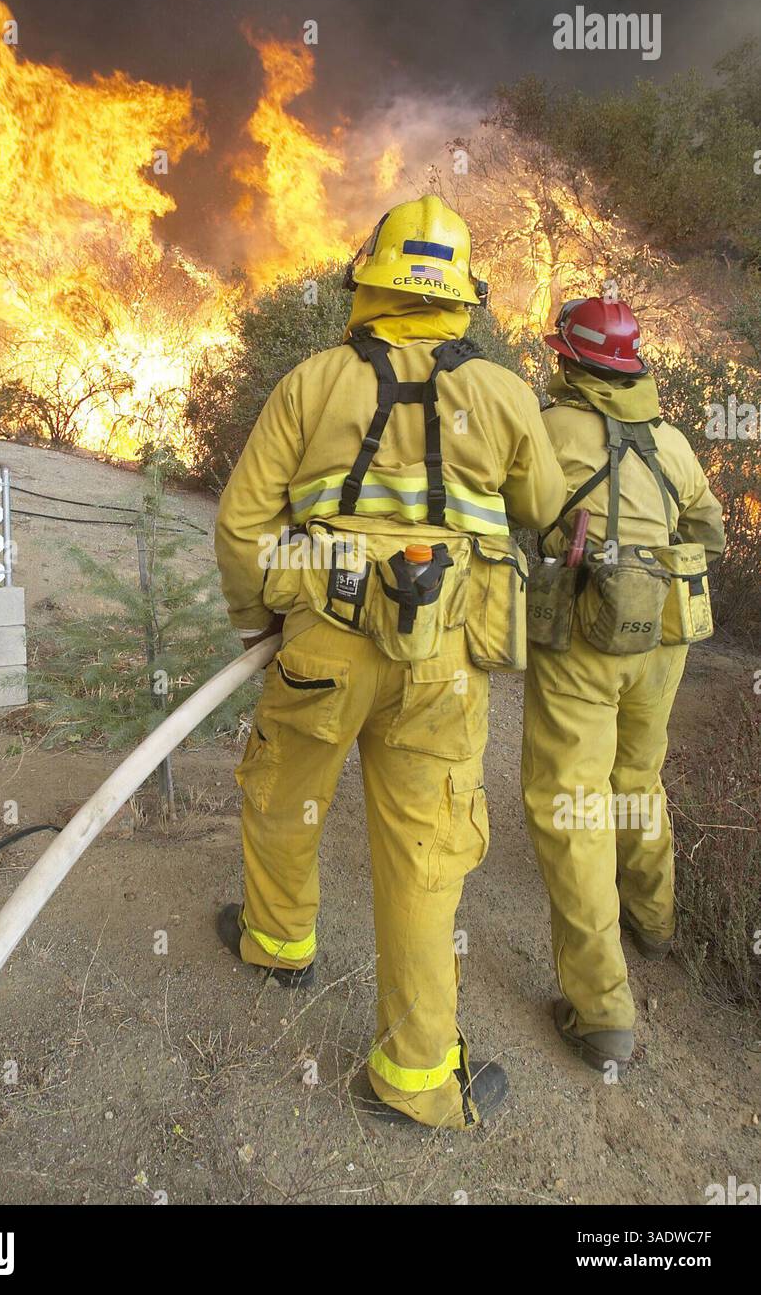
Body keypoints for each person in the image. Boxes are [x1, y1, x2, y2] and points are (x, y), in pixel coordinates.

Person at [214, 195, 566, 1129]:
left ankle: (279, 942)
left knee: (286, 790)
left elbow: (244, 524)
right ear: (462, 297)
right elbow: (541, 504)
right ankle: (416, 1080)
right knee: (424, 859)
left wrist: (259, 625)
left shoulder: (313, 380)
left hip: (321, 646)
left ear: (364, 280)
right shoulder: (501, 391)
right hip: (445, 665)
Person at [522, 296, 725, 1072]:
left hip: (584, 637)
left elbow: (518, 506)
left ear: (569, 361)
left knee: (570, 801)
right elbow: (706, 533)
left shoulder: (550, 427)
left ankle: (601, 1010)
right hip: (664, 641)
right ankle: (656, 918)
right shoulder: (673, 442)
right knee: (638, 774)